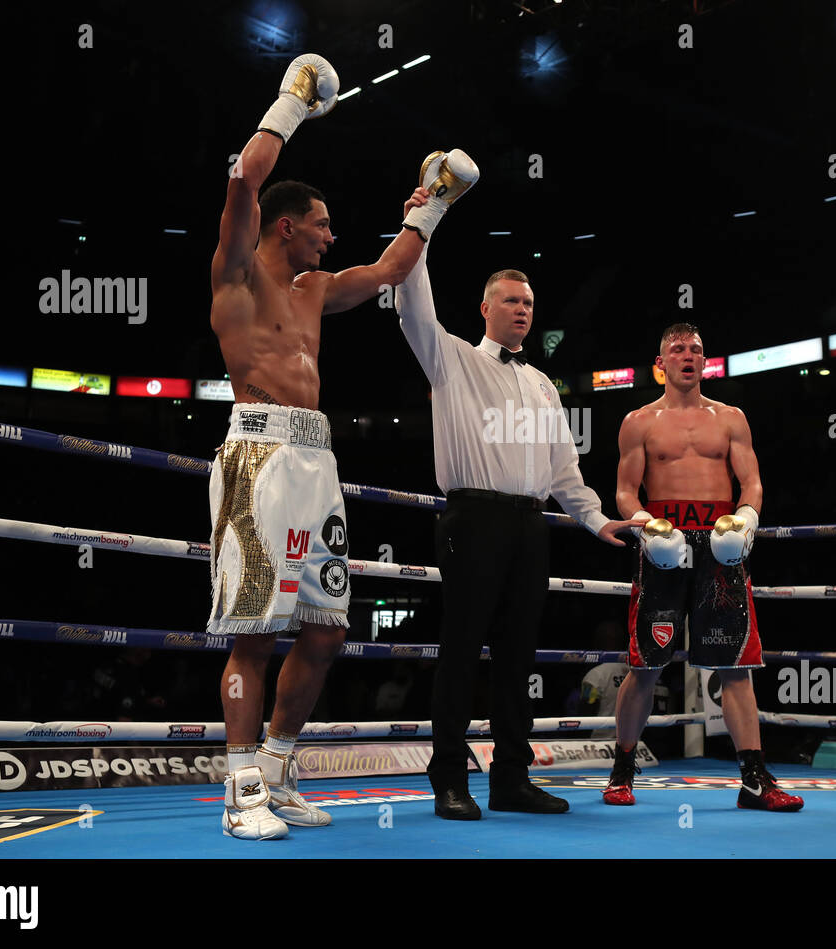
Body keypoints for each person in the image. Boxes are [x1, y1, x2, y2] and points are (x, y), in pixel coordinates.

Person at [207, 53, 473, 839]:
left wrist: (433, 202)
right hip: (256, 456)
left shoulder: (317, 289)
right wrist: (291, 107)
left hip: (316, 463)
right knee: (254, 633)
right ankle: (239, 785)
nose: (332, 236)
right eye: (323, 225)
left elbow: (392, 266)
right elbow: (245, 184)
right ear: (288, 225)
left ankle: (280, 769)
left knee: (325, 631)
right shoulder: (235, 275)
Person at [395, 250, 641, 820]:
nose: (522, 309)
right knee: (460, 652)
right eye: (510, 299)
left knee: (516, 657)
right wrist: (423, 234)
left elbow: (563, 474)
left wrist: (599, 520)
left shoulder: (542, 386)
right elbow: (412, 310)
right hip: (473, 519)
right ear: (485, 308)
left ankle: (511, 777)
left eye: (528, 302)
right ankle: (449, 779)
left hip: (531, 526)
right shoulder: (452, 359)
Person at [603, 323, 803, 812]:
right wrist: (647, 525)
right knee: (646, 665)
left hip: (720, 543)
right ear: (662, 363)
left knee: (736, 667)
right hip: (663, 544)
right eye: (677, 349)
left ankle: (755, 780)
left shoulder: (731, 418)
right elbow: (626, 491)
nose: (687, 356)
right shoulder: (638, 421)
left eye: (695, 349)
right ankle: (622, 768)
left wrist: (748, 520)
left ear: (704, 360)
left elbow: (751, 481)